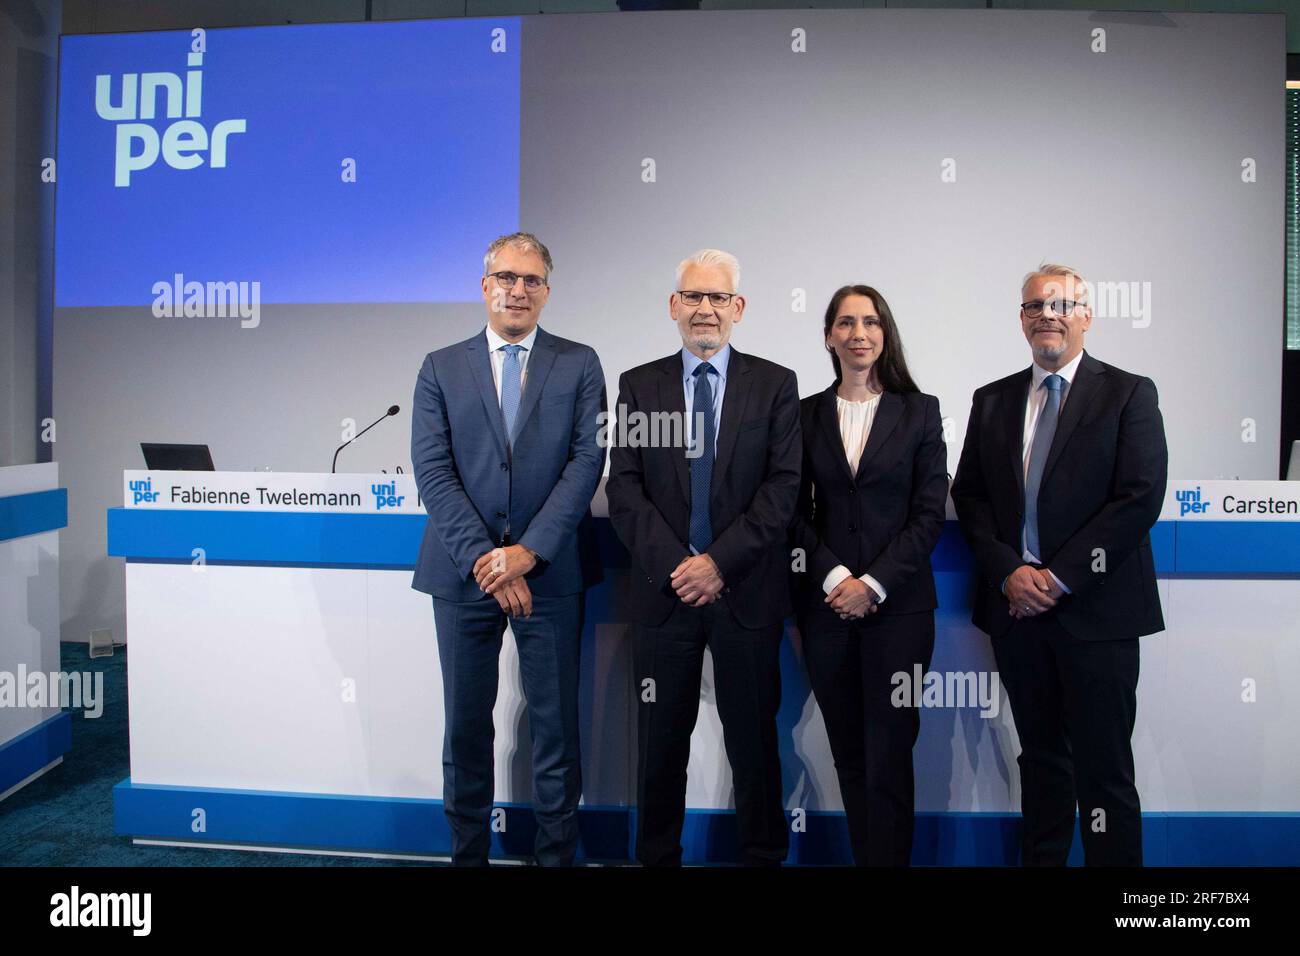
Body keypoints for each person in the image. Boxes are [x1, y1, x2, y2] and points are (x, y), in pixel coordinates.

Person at [950, 263, 1167, 866]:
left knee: (1105, 771)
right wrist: (1009, 572)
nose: (1048, 315)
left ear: (1086, 316)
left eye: (1062, 305)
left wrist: (1060, 578)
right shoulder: (991, 399)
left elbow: (1139, 496)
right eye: (1035, 306)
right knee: (1041, 763)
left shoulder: (1129, 393)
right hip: (1019, 614)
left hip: (1098, 614)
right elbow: (970, 496)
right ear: (1021, 320)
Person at [410, 232, 606, 866]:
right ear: (484, 285)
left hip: (550, 575)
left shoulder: (580, 363)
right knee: (466, 729)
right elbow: (433, 471)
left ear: (546, 291)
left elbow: (586, 462)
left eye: (531, 280)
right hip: (462, 576)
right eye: (506, 277)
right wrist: (490, 562)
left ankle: (556, 859)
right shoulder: (440, 367)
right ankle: (467, 858)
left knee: (556, 731)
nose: (517, 290)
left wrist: (528, 553)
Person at [605, 248, 801, 866]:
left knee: (755, 745)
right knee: (659, 747)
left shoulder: (775, 385)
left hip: (746, 594)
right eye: (693, 296)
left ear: (738, 307)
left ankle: (762, 857)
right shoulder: (640, 386)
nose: (705, 309)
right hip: (665, 596)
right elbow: (624, 489)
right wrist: (680, 567)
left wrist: (718, 564)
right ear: (673, 305)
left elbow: (783, 489)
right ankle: (657, 858)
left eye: (718, 297)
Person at [789, 285, 948, 866]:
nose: (860, 333)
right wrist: (835, 579)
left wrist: (872, 584)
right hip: (826, 611)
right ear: (829, 336)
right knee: (849, 755)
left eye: (871, 322)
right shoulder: (803, 413)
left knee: (890, 754)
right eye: (847, 323)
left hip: (899, 611)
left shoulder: (920, 410)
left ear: (886, 334)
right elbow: (790, 513)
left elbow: (929, 514)